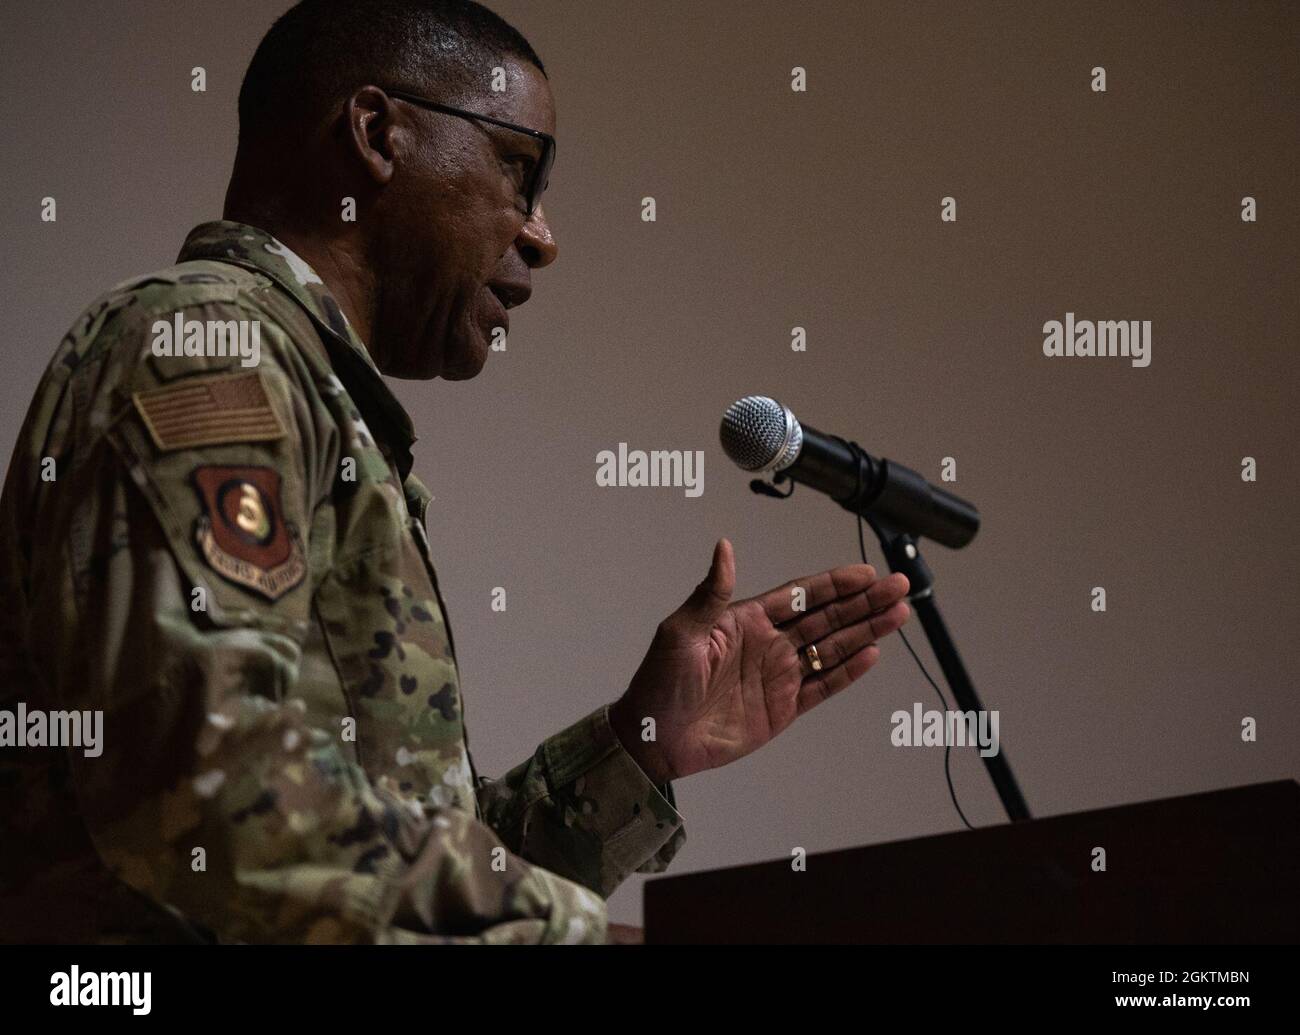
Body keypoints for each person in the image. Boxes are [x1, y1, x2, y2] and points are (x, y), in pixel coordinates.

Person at [0, 0, 911, 944]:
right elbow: (213, 809)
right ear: (377, 134)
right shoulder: (209, 350)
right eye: (521, 170)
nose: (541, 235)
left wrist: (639, 747)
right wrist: (579, 939)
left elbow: (387, 882)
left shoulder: (314, 396)